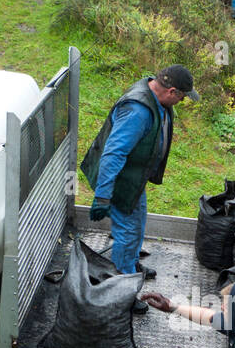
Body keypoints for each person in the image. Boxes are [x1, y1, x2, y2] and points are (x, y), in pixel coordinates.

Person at [80, 64, 199, 313]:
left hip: (134, 179)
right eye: (182, 97)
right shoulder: (138, 111)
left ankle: (131, 266)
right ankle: (122, 289)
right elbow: (113, 153)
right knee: (127, 233)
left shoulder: (155, 95)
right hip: (119, 183)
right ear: (172, 91)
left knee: (138, 223)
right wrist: (103, 195)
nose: (182, 102)